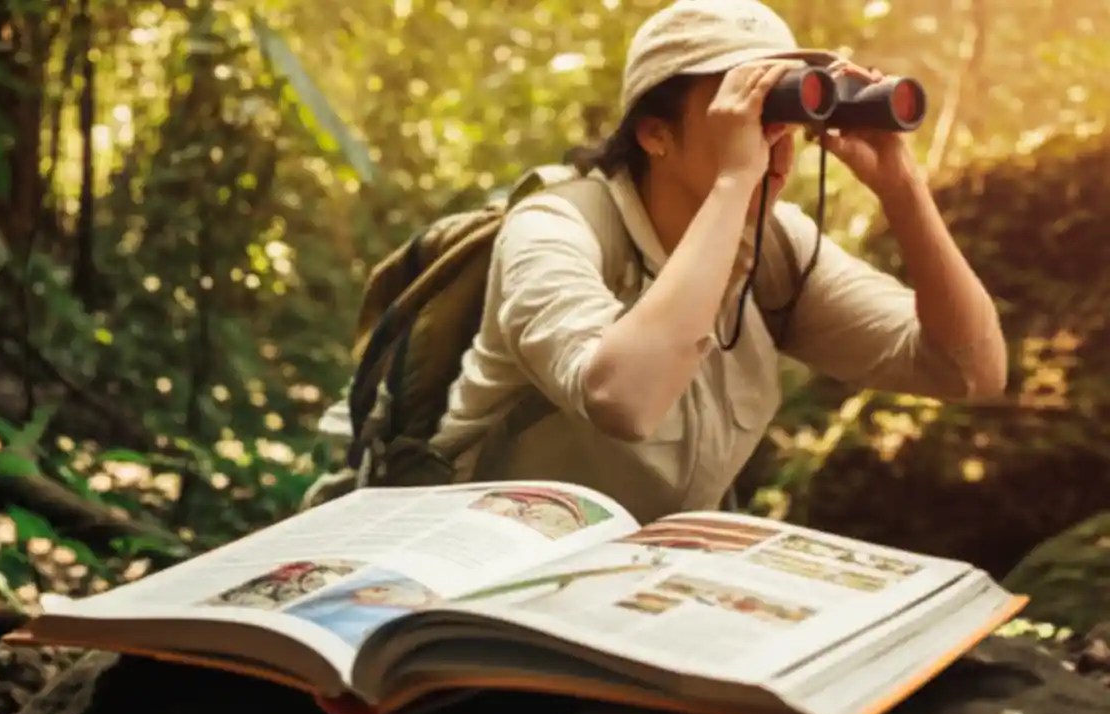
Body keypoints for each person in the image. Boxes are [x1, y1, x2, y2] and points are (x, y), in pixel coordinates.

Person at [431, 0, 1007, 524]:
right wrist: (735, 182)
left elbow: (970, 371)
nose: (769, 129)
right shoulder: (554, 228)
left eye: (780, 99)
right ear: (656, 133)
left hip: (641, 568)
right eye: (741, 103)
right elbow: (623, 402)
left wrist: (902, 186)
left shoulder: (776, 247)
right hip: (486, 558)